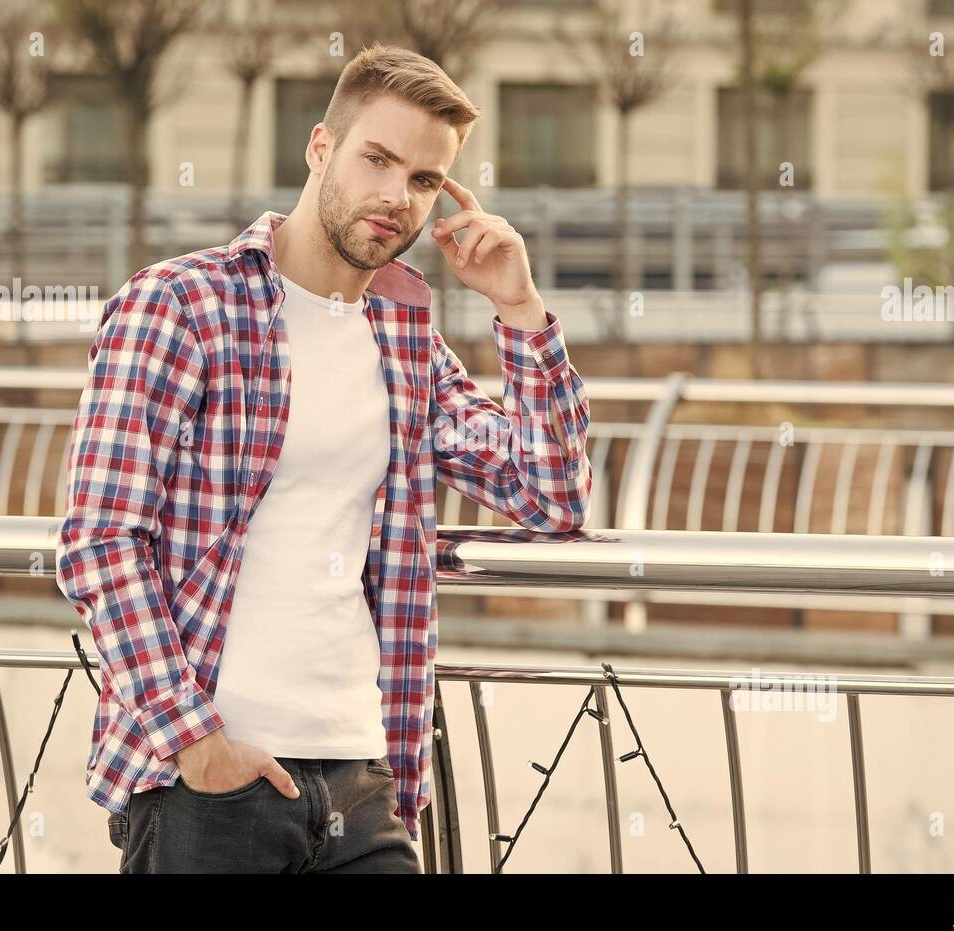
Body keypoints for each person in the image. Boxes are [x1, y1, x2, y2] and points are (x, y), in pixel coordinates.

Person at [56, 42, 593, 874]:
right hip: (211, 781)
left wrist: (519, 309)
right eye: (376, 158)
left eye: (422, 180)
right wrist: (197, 743)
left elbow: (551, 496)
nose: (395, 196)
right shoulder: (183, 304)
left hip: (361, 776)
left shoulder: (403, 336)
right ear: (319, 149)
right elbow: (100, 540)